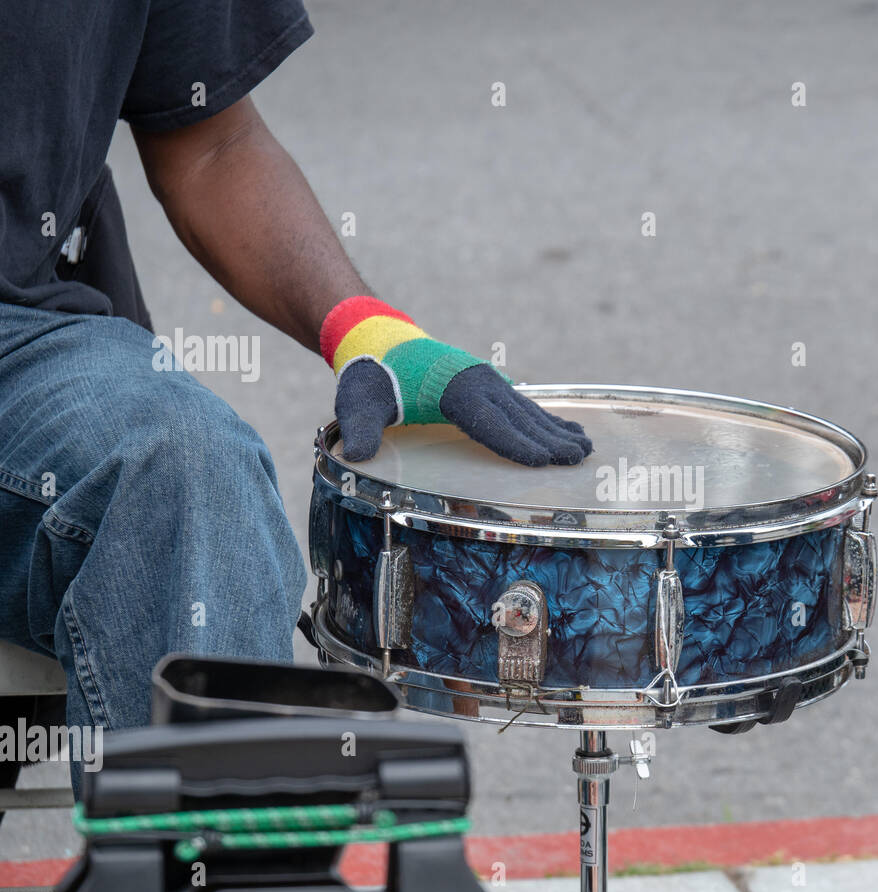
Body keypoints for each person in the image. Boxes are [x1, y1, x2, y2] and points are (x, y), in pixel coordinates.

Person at [0, 1, 591, 790]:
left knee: (186, 470)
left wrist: (370, 332)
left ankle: (219, 889)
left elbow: (210, 137)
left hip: (23, 338)